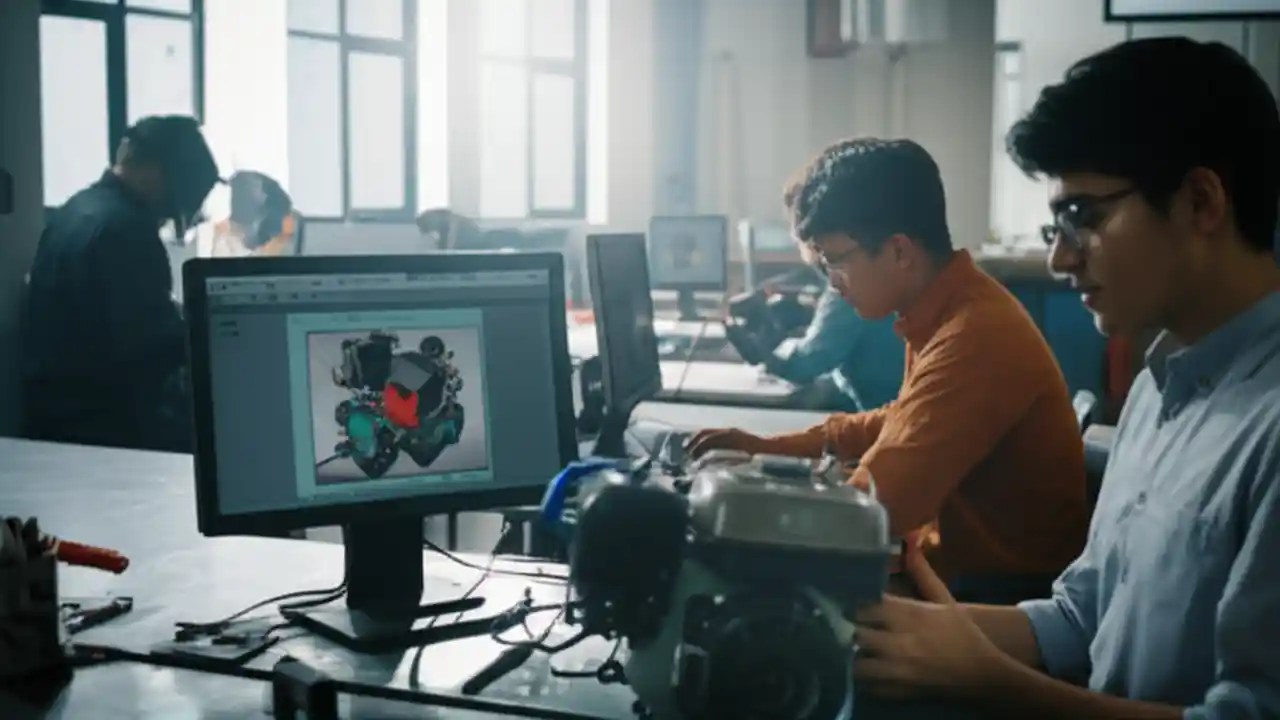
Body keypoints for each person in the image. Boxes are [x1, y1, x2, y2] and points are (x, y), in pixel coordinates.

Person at [851, 38, 1280, 719]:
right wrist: (912, 633)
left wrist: (986, 681)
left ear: (1200, 202)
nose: (1059, 258)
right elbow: (1081, 619)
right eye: (1055, 226)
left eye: (1084, 217)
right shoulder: (1157, 387)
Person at [687, 138, 1088, 603]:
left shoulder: (975, 334)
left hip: (992, 598)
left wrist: (733, 497)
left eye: (835, 260)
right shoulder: (947, 310)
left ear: (899, 251)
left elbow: (865, 514)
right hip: (961, 572)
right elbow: (898, 422)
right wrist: (764, 450)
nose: (832, 282)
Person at [23, 115, 219, 452]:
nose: (166, 218)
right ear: (155, 172)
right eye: (173, 204)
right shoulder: (126, 231)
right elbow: (152, 349)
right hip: (107, 426)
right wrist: (206, 330)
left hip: (55, 417)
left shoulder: (74, 210)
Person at [762, 243, 905, 411]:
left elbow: (810, 362)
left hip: (885, 412)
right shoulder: (888, 273)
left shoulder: (846, 286)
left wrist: (769, 355)